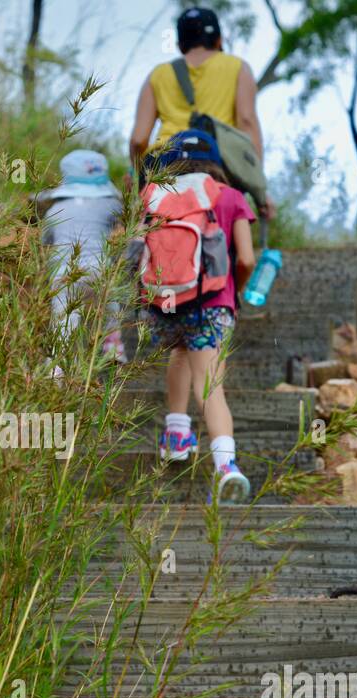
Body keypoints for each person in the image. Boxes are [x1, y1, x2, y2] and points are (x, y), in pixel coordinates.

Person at [140, 129, 256, 502]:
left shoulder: (154, 194)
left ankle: (176, 435)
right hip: (212, 304)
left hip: (165, 302)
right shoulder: (231, 197)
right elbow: (247, 259)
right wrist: (233, 290)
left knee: (178, 354)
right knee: (210, 385)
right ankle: (225, 466)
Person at [129, 6, 274, 220]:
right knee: (223, 227)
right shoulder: (238, 68)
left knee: (153, 231)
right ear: (218, 39)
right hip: (215, 163)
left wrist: (138, 179)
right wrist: (258, 187)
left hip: (164, 163)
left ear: (180, 45)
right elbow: (246, 121)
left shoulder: (157, 75)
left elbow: (138, 139)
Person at [37, 149, 126, 365]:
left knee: (63, 324)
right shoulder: (111, 205)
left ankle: (55, 368)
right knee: (109, 303)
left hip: (64, 276)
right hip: (98, 270)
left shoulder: (55, 209)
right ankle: (112, 344)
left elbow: (45, 241)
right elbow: (123, 228)